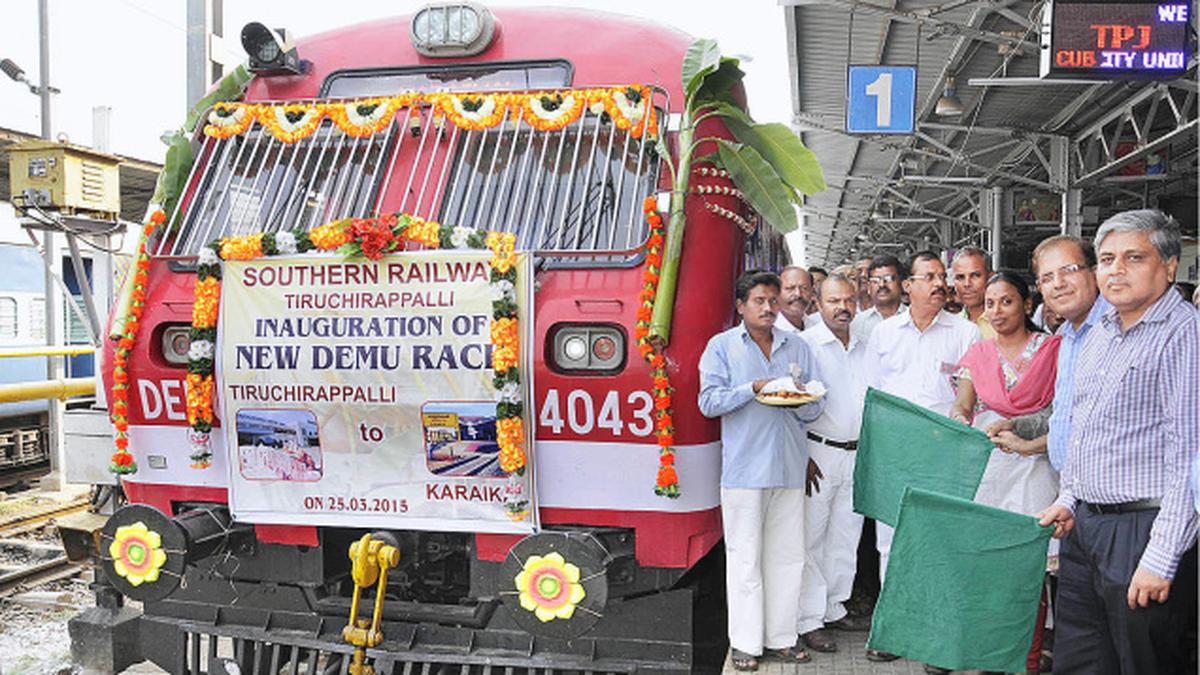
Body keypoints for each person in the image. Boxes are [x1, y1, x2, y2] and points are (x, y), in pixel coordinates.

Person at [1038, 210, 1198, 674]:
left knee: (1144, 662)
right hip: (1086, 528)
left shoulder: (1183, 335)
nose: (1116, 270)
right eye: (1107, 259)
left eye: (1133, 257)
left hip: (1143, 531)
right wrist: (1069, 497)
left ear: (1168, 266)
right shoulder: (1101, 333)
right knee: (1082, 660)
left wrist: (1162, 558)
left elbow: (1190, 458)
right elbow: (1085, 428)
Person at [699, 270, 827, 671]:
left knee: (788, 557)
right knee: (745, 560)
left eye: (773, 300)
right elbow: (708, 402)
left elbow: (815, 405)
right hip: (744, 471)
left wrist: (801, 399)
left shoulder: (797, 346)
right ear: (741, 306)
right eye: (760, 300)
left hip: (789, 466)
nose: (769, 307)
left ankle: (783, 638)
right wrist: (752, 390)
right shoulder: (721, 347)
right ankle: (746, 644)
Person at [862, 251, 981, 666]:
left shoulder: (965, 333)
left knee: (941, 543)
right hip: (896, 452)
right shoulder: (884, 334)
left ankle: (937, 638)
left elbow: (970, 392)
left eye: (940, 276)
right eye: (927, 276)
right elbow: (873, 395)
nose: (938, 283)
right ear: (907, 286)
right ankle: (894, 630)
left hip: (944, 453)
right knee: (891, 545)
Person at [949, 273, 1061, 674]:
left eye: (1006, 302)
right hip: (992, 467)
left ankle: (1026, 659)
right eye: (991, 303)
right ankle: (988, 655)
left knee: (1030, 569)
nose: (996, 311)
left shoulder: (1053, 349)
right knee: (988, 566)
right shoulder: (979, 354)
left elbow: (1063, 416)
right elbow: (963, 405)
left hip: (1037, 466)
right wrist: (961, 418)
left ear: (1027, 305)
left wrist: (1026, 437)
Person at [796, 274, 872, 655]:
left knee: (846, 535)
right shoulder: (805, 346)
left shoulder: (863, 346)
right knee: (812, 537)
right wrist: (801, 455)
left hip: (858, 454)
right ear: (817, 303)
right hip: (818, 454)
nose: (843, 307)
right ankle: (808, 619)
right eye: (834, 301)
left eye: (849, 301)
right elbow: (790, 404)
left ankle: (834, 606)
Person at [987, 235, 1110, 470]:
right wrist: (1016, 426)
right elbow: (1062, 413)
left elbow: (1096, 425)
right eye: (1047, 277)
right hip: (1076, 487)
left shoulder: (1116, 329)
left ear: (1095, 273)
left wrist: (1028, 447)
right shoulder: (1066, 336)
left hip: (1126, 496)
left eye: (1069, 270)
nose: (1059, 283)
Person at [850, 254, 908, 343]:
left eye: (888, 279)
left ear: (902, 283)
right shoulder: (857, 323)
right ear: (869, 287)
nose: (882, 285)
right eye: (875, 280)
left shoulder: (914, 318)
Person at [951, 247, 996, 339]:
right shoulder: (950, 326)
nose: (967, 284)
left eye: (975, 275)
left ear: (991, 278)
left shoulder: (1006, 324)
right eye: (960, 277)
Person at [776, 266, 820, 332]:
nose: (798, 294)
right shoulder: (768, 330)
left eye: (804, 288)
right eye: (790, 288)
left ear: (812, 292)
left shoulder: (817, 327)